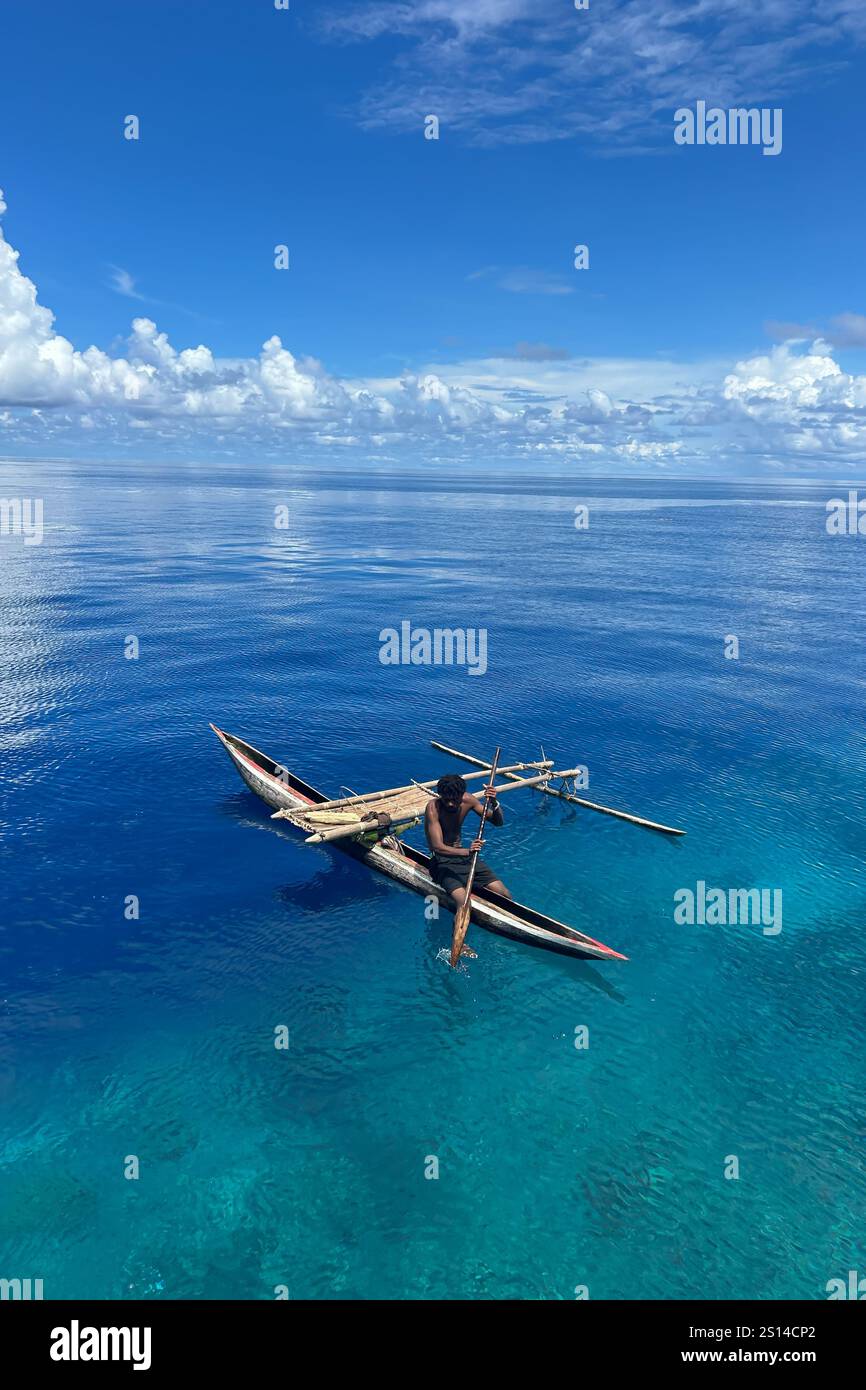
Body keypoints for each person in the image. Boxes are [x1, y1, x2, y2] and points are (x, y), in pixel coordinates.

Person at [424, 772, 511, 958]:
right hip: (442, 862)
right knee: (464, 903)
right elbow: (438, 847)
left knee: (505, 894)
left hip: (466, 858)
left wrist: (494, 802)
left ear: (462, 795)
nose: (450, 804)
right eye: (446, 799)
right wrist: (468, 851)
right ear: (440, 796)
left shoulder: (469, 800)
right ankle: (459, 944)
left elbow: (498, 822)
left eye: (454, 800)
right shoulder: (433, 808)